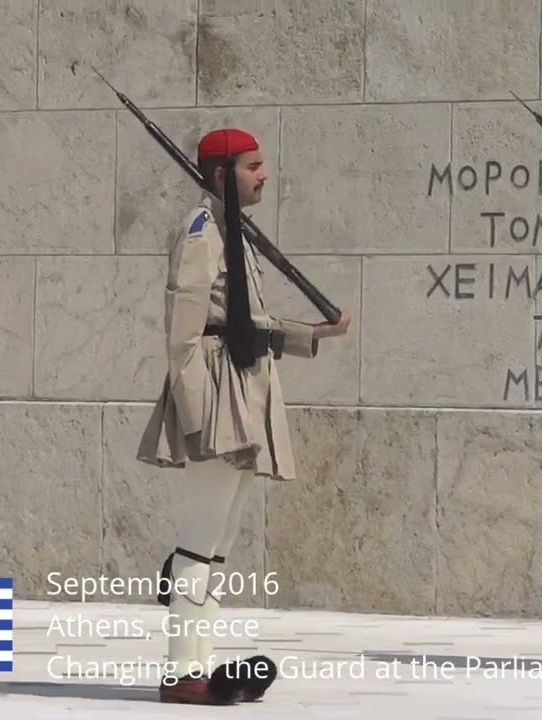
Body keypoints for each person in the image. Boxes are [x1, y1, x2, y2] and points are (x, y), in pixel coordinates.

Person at [136, 127, 351, 704]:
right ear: (221, 175)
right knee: (201, 536)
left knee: (219, 540)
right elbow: (183, 337)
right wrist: (194, 415)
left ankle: (197, 664)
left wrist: (312, 335)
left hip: (243, 386)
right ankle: (182, 673)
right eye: (253, 166)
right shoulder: (201, 233)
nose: (264, 175)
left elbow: (249, 323)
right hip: (216, 394)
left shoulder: (234, 233)